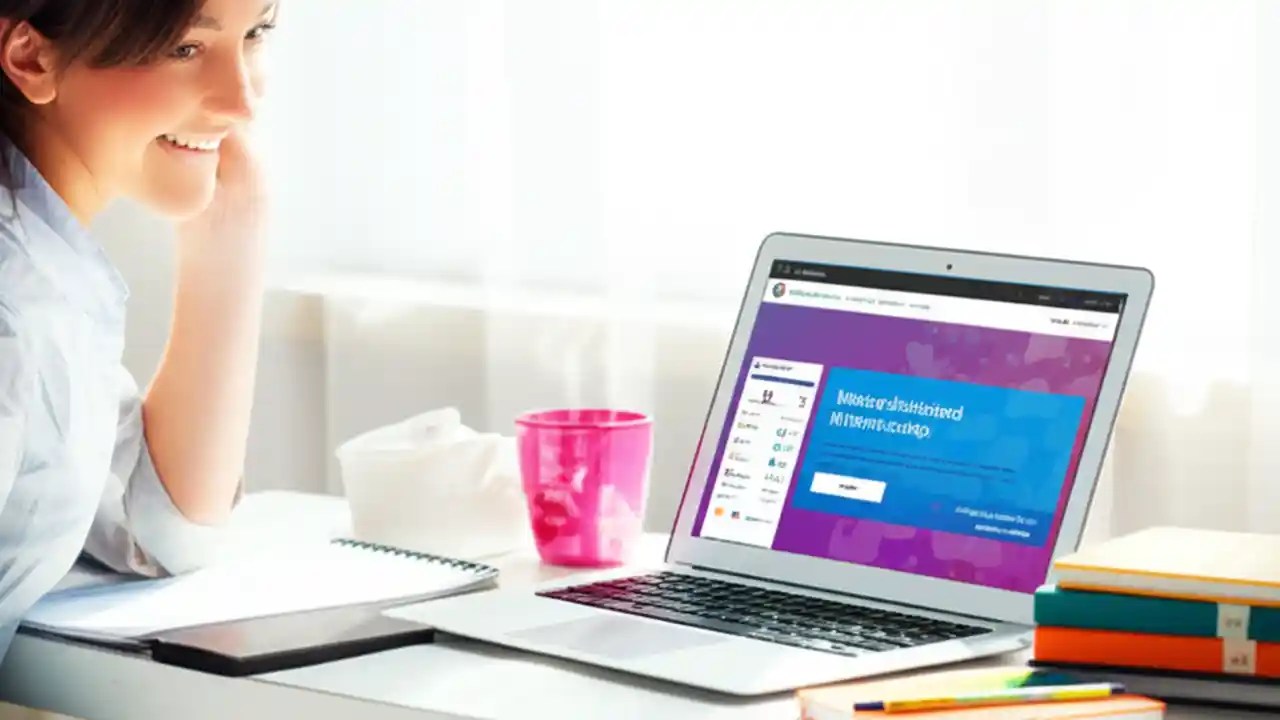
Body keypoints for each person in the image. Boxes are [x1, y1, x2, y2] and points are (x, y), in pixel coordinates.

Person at [0, 0, 277, 663]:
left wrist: (232, 234)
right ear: (30, 57)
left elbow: (165, 533)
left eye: (256, 35)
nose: (241, 104)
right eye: (185, 49)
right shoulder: (16, 301)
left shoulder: (47, 268)